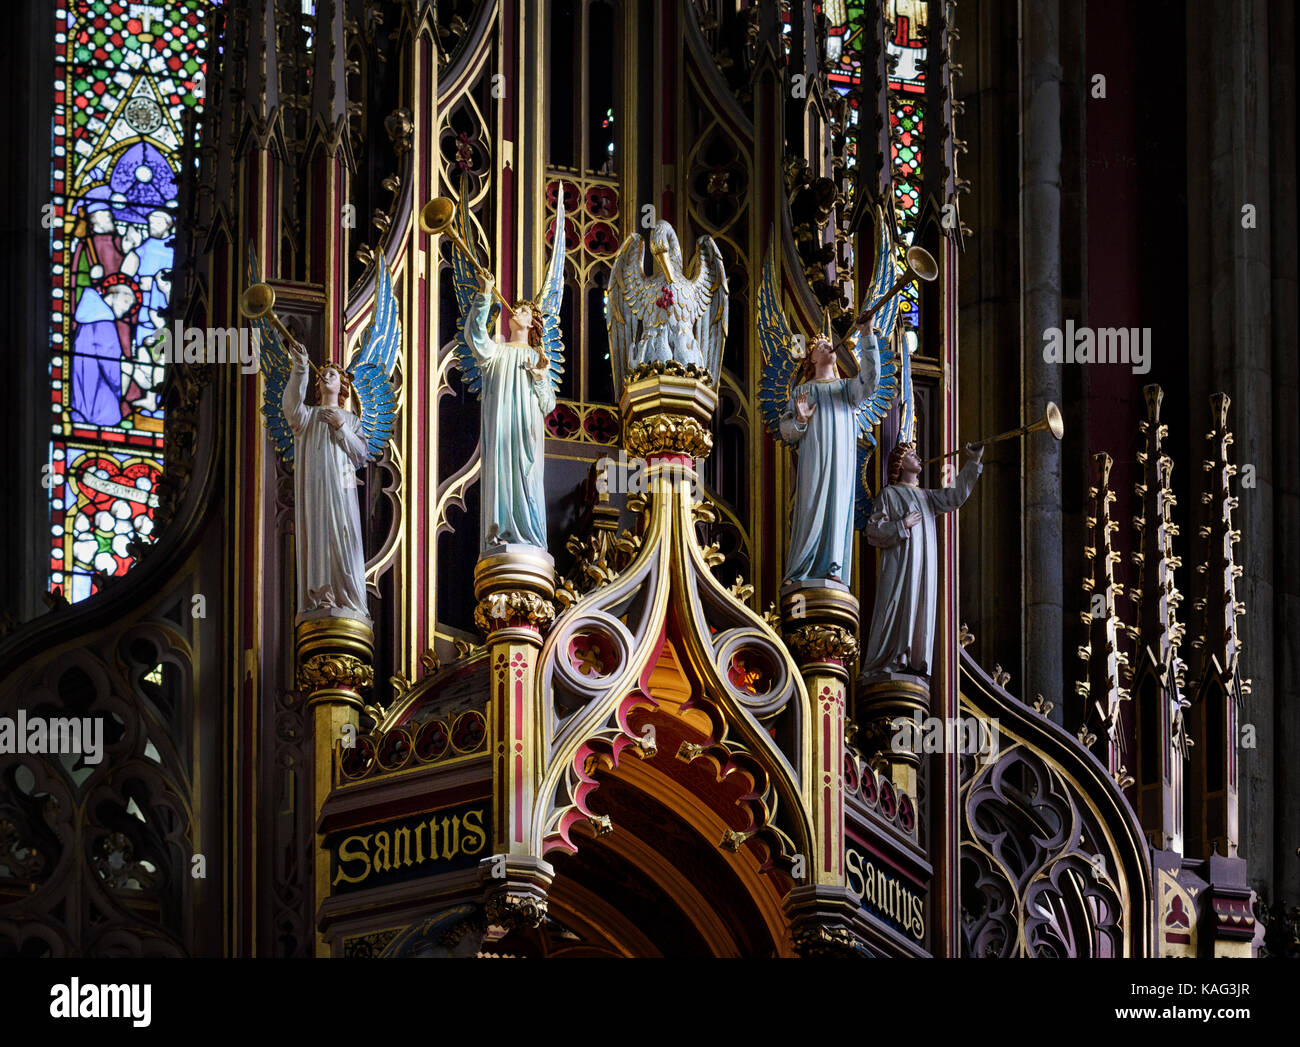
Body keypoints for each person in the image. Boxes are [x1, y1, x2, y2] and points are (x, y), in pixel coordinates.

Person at [860, 440, 983, 676]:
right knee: (896, 605)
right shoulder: (890, 494)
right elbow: (873, 532)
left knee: (919, 605)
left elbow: (955, 496)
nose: (917, 457)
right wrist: (900, 525)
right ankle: (890, 658)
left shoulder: (928, 497)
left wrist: (973, 461)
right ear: (900, 463)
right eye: (911, 454)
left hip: (923, 566)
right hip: (899, 568)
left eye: (916, 454)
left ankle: (913, 659)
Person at [780, 328, 881, 585]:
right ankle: (800, 569)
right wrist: (801, 419)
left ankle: (833, 567)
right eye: (821, 346)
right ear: (812, 359)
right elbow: (787, 432)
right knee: (811, 503)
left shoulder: (847, 389)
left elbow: (870, 379)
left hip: (841, 459)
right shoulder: (801, 393)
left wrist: (867, 334)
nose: (828, 347)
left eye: (829, 345)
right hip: (814, 457)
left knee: (838, 503)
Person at [466, 272, 554, 551]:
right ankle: (501, 531)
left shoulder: (537, 357)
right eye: (516, 308)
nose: (517, 310)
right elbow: (475, 336)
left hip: (526, 431)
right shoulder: (497, 352)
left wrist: (540, 375)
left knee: (527, 475)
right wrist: (485, 294)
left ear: (532, 323)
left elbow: (549, 404)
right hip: (502, 429)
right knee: (503, 474)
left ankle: (530, 534)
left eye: (525, 310)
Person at [281, 342, 370, 619]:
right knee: (318, 535)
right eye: (321, 376)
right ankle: (322, 596)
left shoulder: (351, 420)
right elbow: (291, 406)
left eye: (331, 374)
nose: (324, 377)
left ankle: (348, 596)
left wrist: (341, 426)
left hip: (342, 491)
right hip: (316, 489)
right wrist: (299, 369)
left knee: (343, 534)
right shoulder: (308, 416)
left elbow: (360, 455)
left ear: (342, 385)